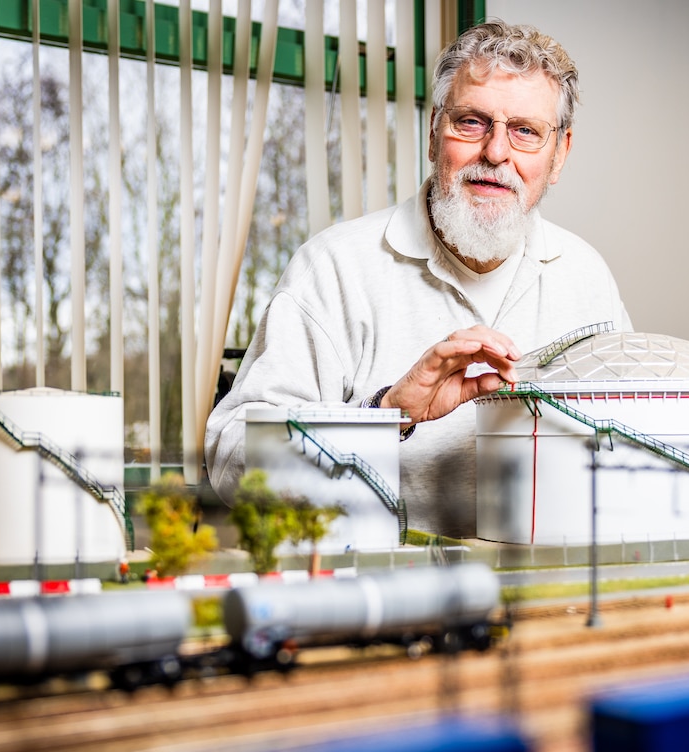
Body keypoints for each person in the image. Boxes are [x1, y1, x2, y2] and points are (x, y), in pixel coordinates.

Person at [205, 20, 631, 537]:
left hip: (551, 604)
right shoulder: (334, 269)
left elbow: (630, 452)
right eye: (472, 122)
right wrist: (384, 415)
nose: (496, 153)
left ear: (559, 154)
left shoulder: (588, 278)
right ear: (434, 133)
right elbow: (228, 462)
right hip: (380, 605)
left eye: (525, 131)